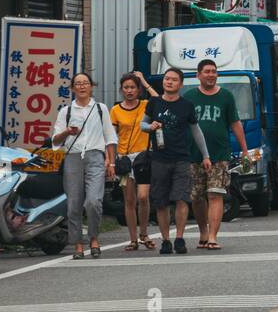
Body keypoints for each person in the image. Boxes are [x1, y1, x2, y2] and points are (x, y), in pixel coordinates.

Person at [139, 67, 209, 255]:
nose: (169, 82)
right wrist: (150, 126)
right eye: (166, 79)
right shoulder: (154, 103)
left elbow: (196, 130)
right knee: (161, 202)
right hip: (159, 158)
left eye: (173, 80)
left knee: (181, 198)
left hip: (181, 158)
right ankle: (166, 240)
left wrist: (205, 155)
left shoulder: (187, 105)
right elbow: (142, 125)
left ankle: (179, 237)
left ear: (180, 84)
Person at [50, 72, 117, 260]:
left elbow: (110, 137)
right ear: (72, 88)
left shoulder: (100, 109)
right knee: (73, 205)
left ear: (91, 86)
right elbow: (55, 141)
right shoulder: (66, 112)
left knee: (93, 201)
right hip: (72, 158)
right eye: (78, 83)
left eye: (85, 83)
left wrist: (111, 162)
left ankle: (94, 238)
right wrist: (67, 132)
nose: (81, 86)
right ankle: (78, 244)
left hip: (96, 157)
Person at [183, 59, 248, 251]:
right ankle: (203, 230)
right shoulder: (189, 97)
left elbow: (235, 123)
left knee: (215, 194)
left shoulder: (226, 96)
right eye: (207, 71)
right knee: (197, 197)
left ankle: (212, 236)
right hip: (193, 155)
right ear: (198, 75)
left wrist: (244, 150)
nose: (211, 75)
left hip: (219, 154)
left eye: (214, 71)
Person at [111, 72, 155, 251]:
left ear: (138, 90)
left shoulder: (146, 105)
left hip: (143, 157)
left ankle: (144, 233)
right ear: (121, 90)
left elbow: (160, 100)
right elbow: (112, 137)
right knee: (129, 200)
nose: (129, 91)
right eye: (126, 87)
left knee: (143, 197)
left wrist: (145, 82)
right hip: (124, 159)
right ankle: (133, 239)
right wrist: (111, 161)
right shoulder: (115, 110)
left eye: (133, 87)